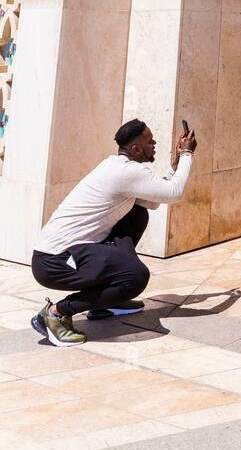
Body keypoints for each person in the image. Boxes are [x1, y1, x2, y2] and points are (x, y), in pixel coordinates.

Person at [30, 119, 197, 347]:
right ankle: (55, 313)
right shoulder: (126, 172)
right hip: (54, 261)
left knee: (137, 213)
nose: (155, 142)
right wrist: (187, 154)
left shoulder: (119, 167)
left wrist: (176, 164)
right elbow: (174, 193)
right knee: (135, 277)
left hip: (72, 252)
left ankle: (103, 303)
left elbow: (154, 200)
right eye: (149, 140)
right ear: (136, 149)